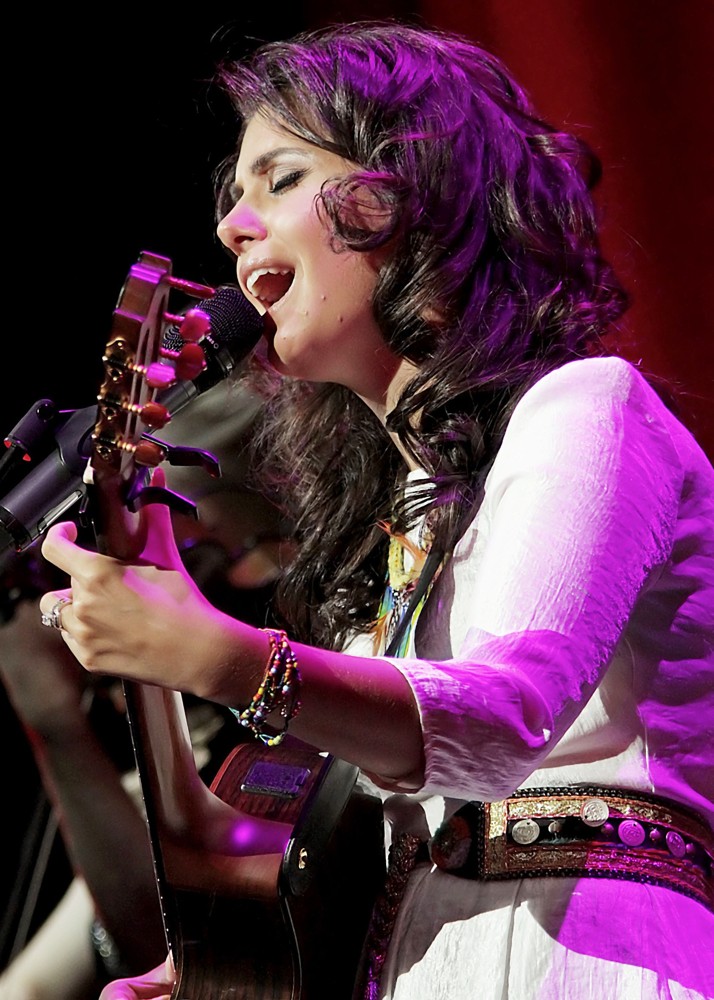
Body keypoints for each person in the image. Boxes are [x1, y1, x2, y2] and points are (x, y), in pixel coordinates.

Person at [34, 20, 713, 1000]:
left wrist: (217, 654)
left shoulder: (589, 407)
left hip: (594, 957)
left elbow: (507, 714)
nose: (230, 226)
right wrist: (222, 958)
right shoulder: (396, 552)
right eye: (235, 193)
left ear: (408, 191)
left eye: (277, 178)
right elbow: (255, 849)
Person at [0, 388, 288, 999]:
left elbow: (166, 937)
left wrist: (57, 724)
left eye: (159, 532)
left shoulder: (280, 723)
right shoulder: (180, 734)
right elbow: (29, 986)